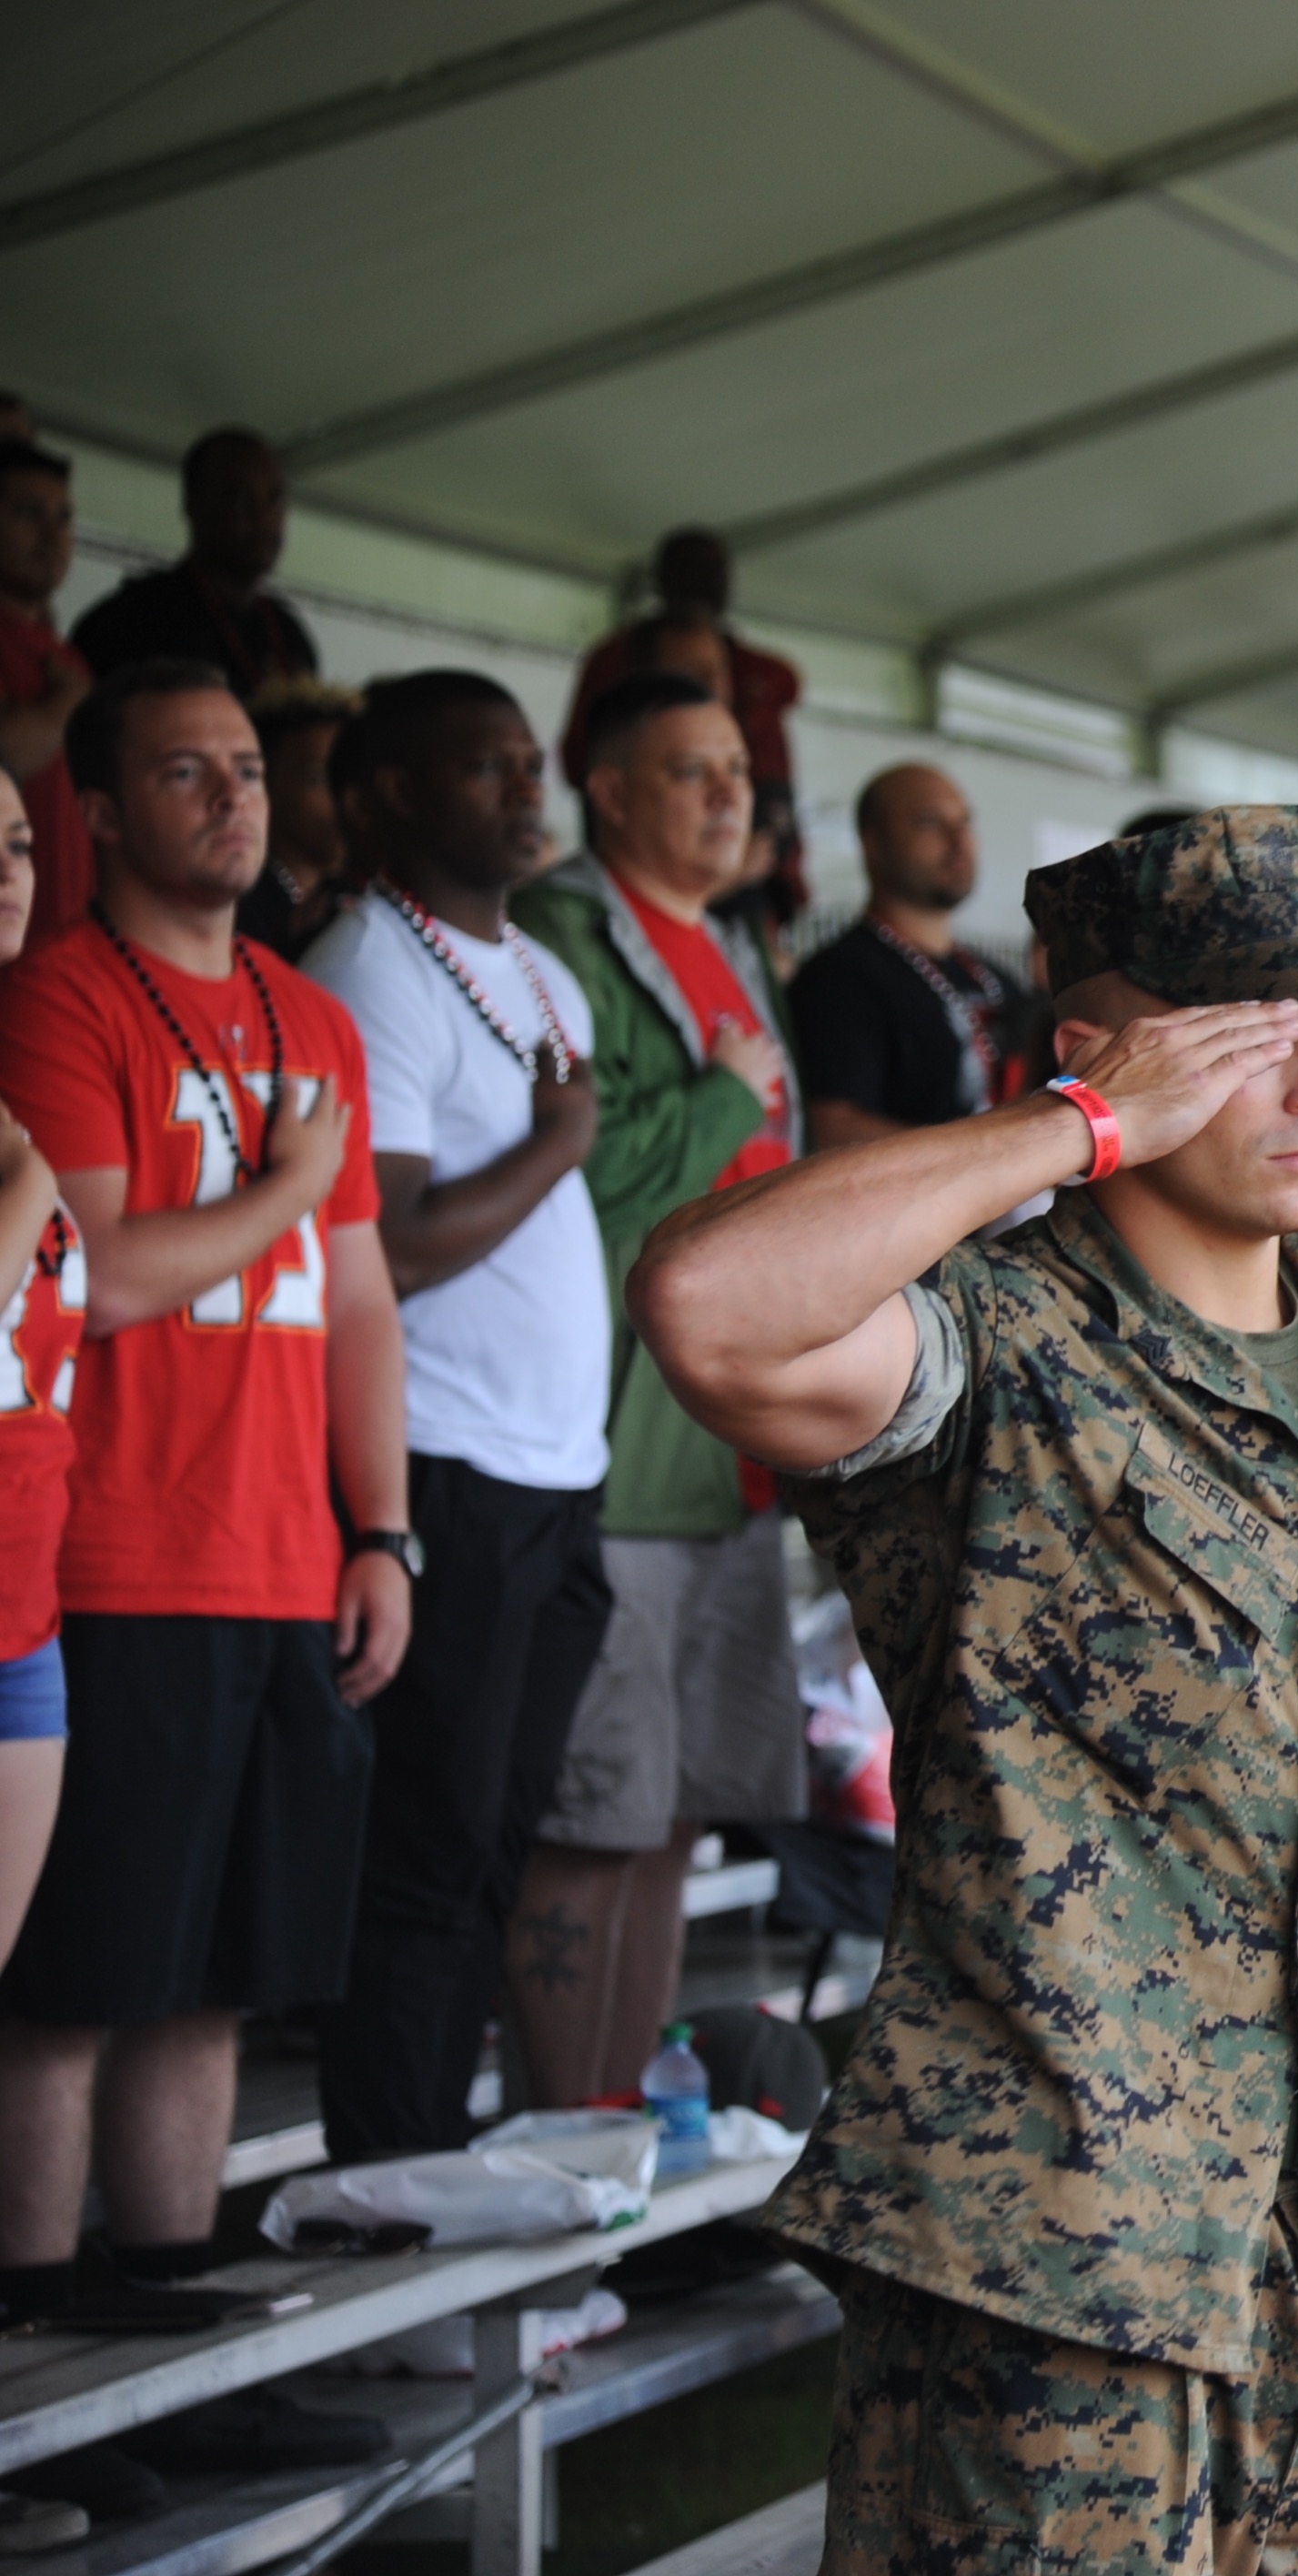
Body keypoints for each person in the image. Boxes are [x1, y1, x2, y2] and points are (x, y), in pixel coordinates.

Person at [628, 808, 1298, 2574]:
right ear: (1105, 1048)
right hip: (1057, 2270)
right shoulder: (994, 1343)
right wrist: (1073, 1128)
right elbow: (708, 1306)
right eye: (1249, 1033)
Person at [0, 663, 405, 2480]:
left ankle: (175, 2332)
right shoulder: (55, 998)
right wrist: (290, 1185)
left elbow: (361, 1302)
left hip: (281, 1555)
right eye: (186, 772)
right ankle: (31, 2348)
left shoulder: (312, 1016)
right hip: (113, 1549)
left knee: (217, 1974)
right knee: (75, 1975)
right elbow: (98, 1273)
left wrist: (381, 1526)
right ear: (99, 807)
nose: (237, 799)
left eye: (247, 769)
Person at [299, 674, 614, 2162]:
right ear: (390, 795)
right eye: (482, 766)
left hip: (556, 1474)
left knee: (495, 1847)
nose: (523, 787)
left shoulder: (541, 976)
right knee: (425, 1852)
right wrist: (561, 1142)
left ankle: (438, 2176)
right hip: (443, 1462)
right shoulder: (370, 966)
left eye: (527, 760)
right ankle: (391, 2189)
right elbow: (391, 1242)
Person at [509, 670, 802, 2109]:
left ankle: (622, 2133)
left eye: (738, 769)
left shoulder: (732, 944)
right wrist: (725, 1095)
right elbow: (583, 1180)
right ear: (609, 791)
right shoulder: (560, 934)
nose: (731, 793)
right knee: (597, 1820)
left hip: (730, 1457)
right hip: (619, 1456)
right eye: (693, 770)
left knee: (678, 1818)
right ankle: (566, 2141)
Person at [0, 774, 83, 1979]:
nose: (6, 872)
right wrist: (30, 1178)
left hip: (24, 1610)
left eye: (18, 844)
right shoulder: (23, 1149)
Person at [789, 763, 1035, 1149]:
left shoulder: (998, 980)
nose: (959, 839)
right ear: (873, 843)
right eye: (929, 822)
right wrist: (988, 1154)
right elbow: (833, 1129)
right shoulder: (836, 981)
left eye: (965, 822)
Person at [555, 528, 801, 806]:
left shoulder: (750, 668)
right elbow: (578, 758)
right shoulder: (615, 659)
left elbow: (788, 683)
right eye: (691, 672)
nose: (707, 582)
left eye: (716, 672)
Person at [65, 430, 320, 698]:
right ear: (193, 504)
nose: (263, 518)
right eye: (241, 499)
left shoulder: (289, 636)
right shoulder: (133, 620)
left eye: (276, 499)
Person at [0, 439, 92, 953]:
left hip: (63, 945)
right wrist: (65, 707)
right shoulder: (71, 682)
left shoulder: (65, 656)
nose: (53, 535)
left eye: (64, 518)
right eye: (29, 513)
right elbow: (6, 754)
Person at [235, 677, 362, 958]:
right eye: (320, 777)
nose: (344, 796)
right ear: (265, 783)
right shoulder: (238, 905)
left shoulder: (361, 900)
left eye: (353, 776)